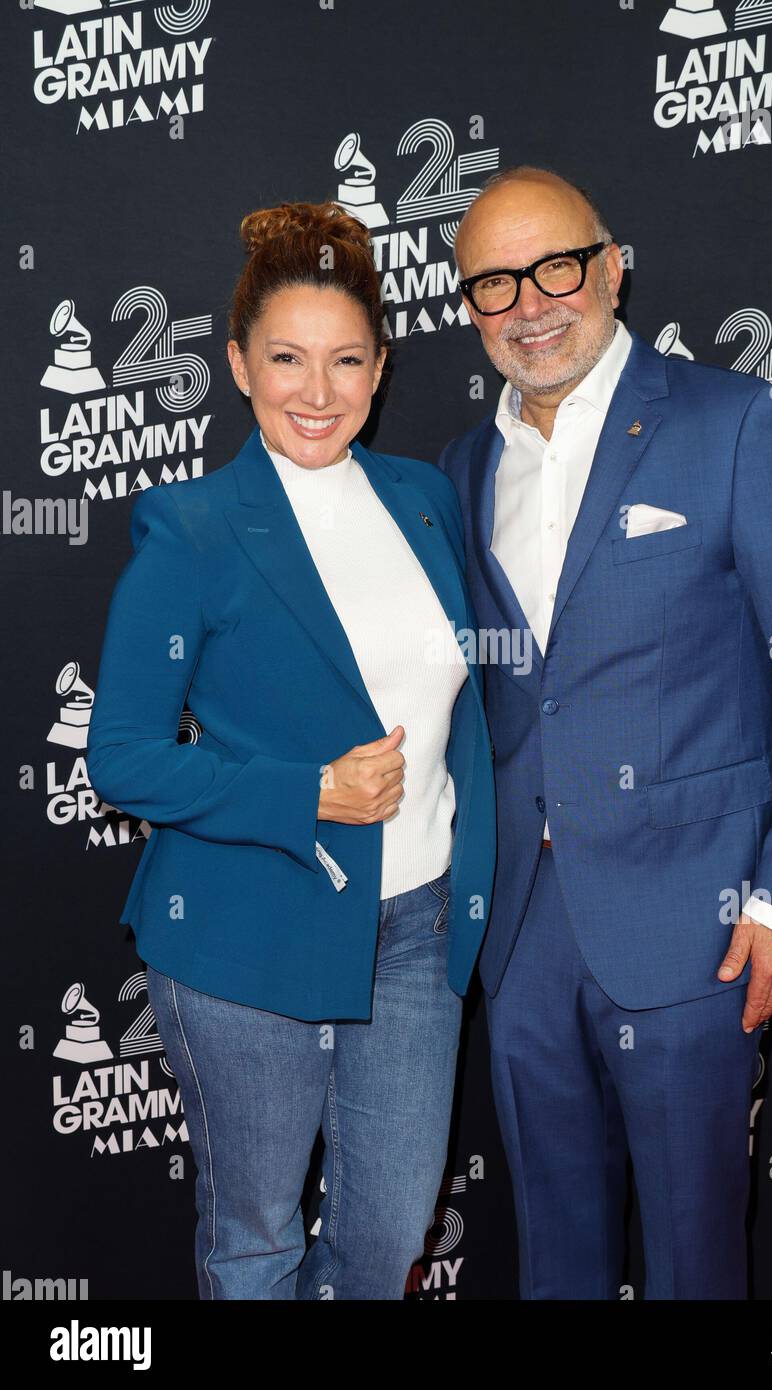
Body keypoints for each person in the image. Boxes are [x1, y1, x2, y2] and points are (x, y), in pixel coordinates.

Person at [439, 166, 772, 1299]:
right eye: (493, 282)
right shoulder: (462, 469)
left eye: (554, 267)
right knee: (555, 1257)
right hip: (523, 934)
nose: (528, 303)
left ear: (611, 267)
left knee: (692, 1258)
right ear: (467, 305)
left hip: (696, 923)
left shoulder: (736, 426)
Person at [86, 201, 496, 1300]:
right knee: (257, 1243)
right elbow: (120, 756)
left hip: (412, 930)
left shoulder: (423, 499)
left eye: (345, 360)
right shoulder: (193, 525)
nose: (317, 393)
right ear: (236, 364)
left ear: (380, 368)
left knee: (385, 1240)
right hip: (243, 933)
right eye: (285, 360)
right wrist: (306, 790)